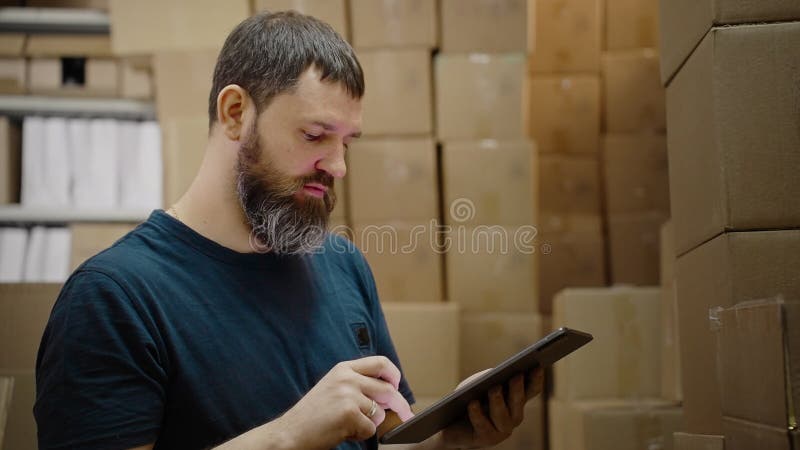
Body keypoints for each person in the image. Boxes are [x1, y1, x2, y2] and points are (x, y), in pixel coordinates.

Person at [34, 11, 543, 450]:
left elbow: (381, 439)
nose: (339, 165)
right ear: (235, 113)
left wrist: (452, 437)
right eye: (315, 135)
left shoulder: (342, 265)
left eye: (348, 142)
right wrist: (289, 435)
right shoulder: (113, 299)